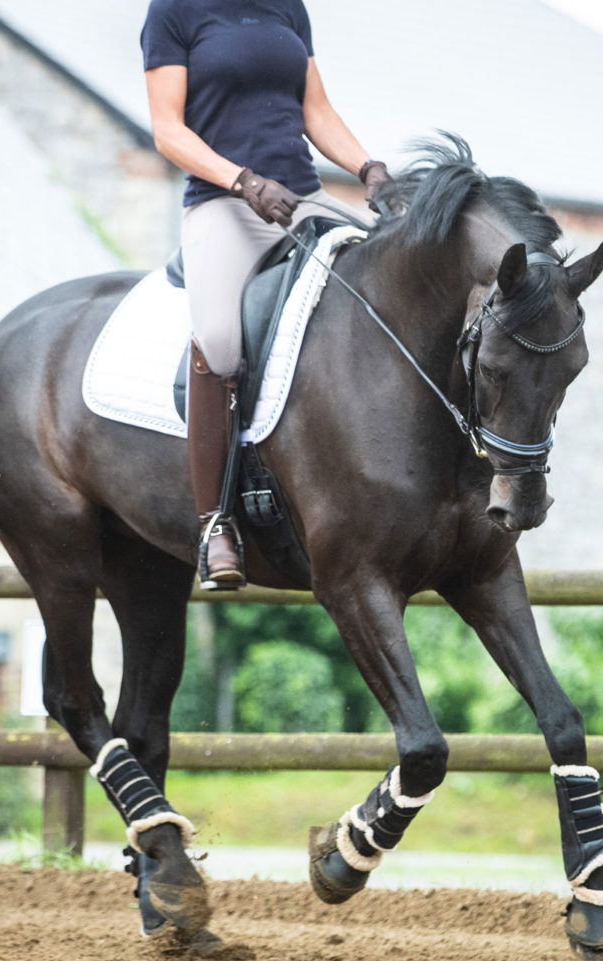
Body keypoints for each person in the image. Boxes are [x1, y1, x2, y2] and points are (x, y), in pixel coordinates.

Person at [141, 0, 390, 590]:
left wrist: (371, 169)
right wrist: (242, 181)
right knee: (220, 342)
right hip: (224, 205)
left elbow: (316, 110)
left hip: (302, 199)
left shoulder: (287, 7)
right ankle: (215, 524)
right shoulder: (174, 11)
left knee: (391, 279)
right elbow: (167, 130)